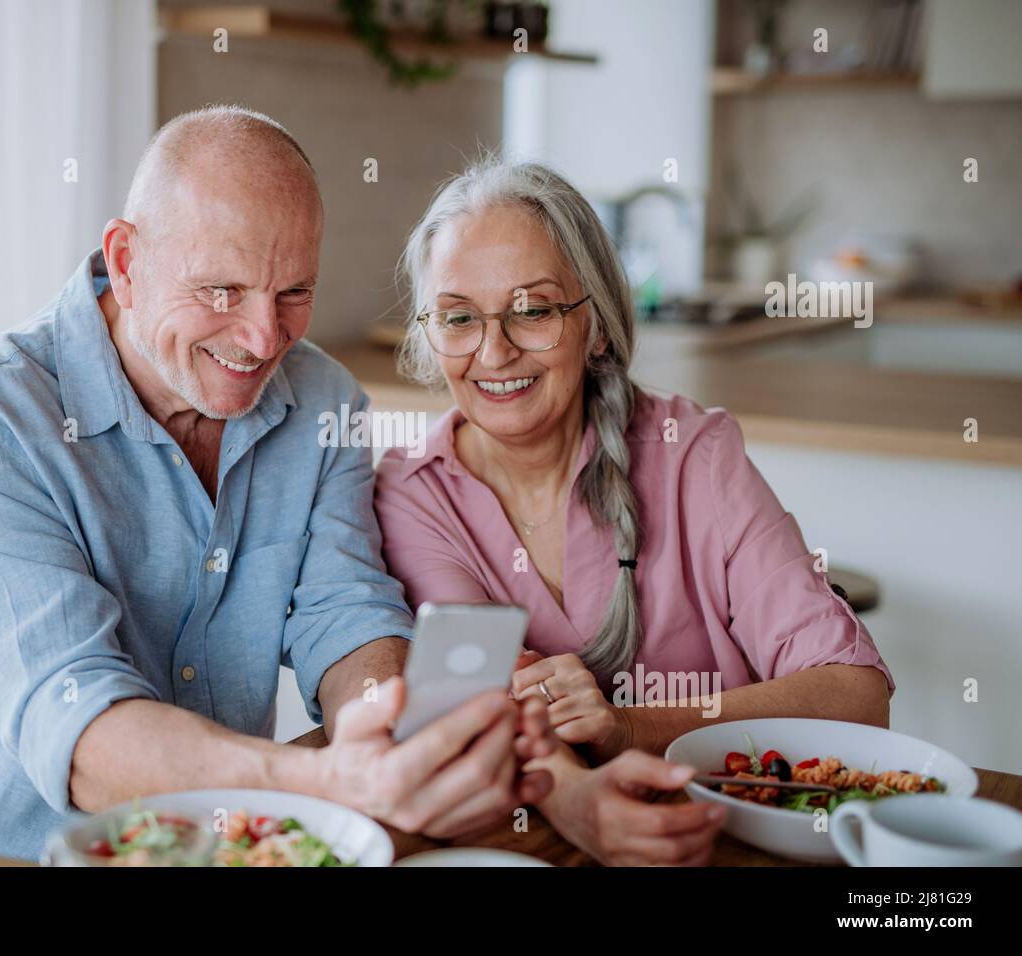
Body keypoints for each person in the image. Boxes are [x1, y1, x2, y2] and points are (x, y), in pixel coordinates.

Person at [0, 108, 551, 866]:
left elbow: (348, 612)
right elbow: (79, 728)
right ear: (127, 261)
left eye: (293, 291)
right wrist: (322, 779)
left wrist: (379, 725)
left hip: (189, 851)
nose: (263, 338)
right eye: (222, 290)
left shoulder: (323, 402)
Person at [374, 157, 894, 865]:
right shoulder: (413, 492)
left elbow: (856, 695)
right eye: (459, 318)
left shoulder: (698, 458)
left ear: (596, 325)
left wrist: (630, 726)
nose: (493, 352)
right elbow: (488, 711)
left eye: (532, 310)